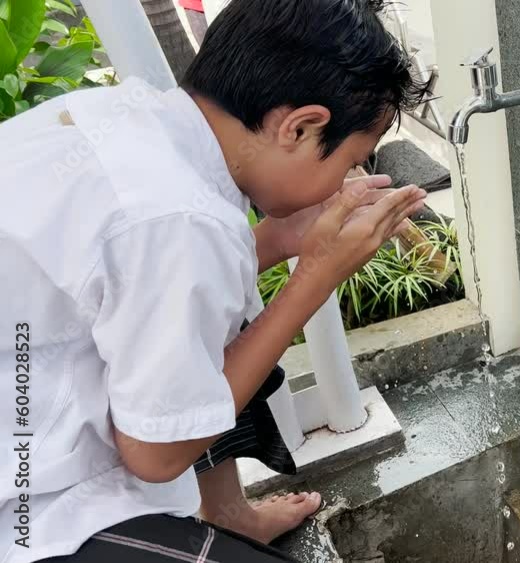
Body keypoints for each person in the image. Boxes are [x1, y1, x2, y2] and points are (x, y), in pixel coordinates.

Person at [0, 0, 429, 561]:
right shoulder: (185, 221)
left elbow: (148, 279)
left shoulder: (130, 117)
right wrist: (316, 276)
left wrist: (279, 238)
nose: (347, 178)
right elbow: (157, 454)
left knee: (213, 332)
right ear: (300, 127)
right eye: (351, 160)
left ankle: (231, 515)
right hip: (31, 505)